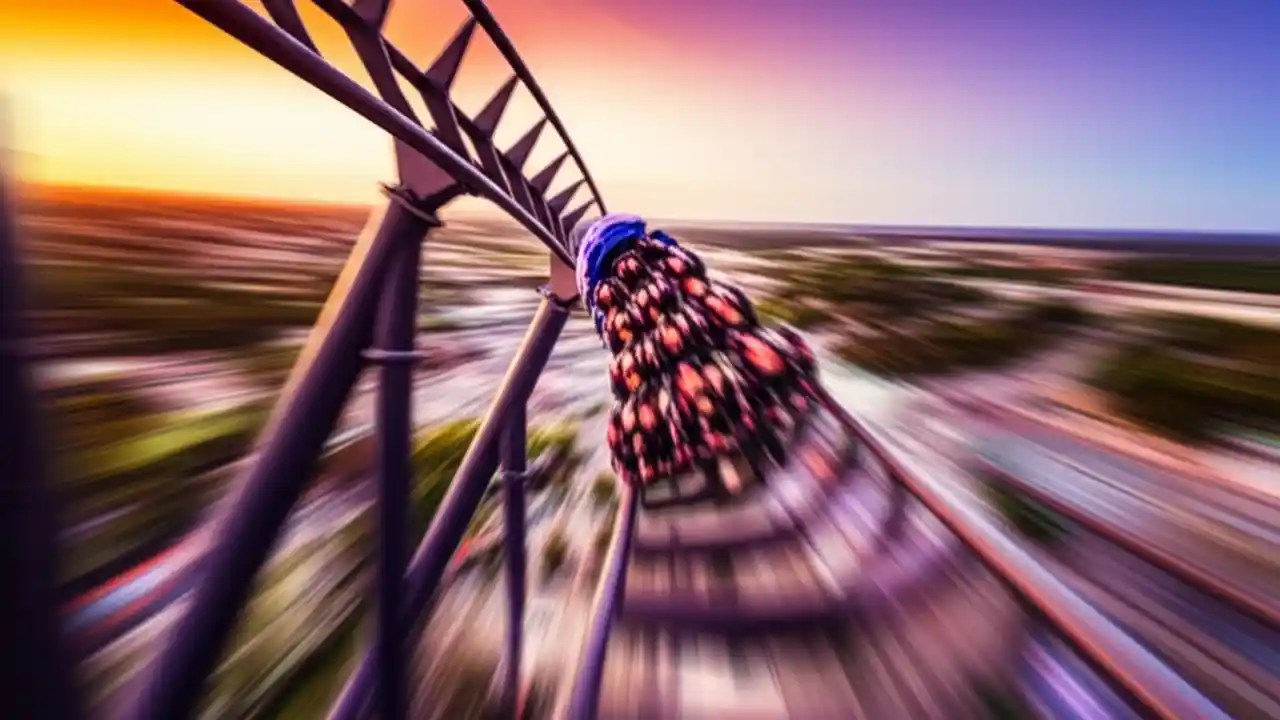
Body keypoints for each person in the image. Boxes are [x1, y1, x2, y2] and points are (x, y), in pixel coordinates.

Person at [573, 213, 820, 496]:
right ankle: (755, 436)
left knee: (663, 405)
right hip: (719, 353)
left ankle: (720, 462)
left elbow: (610, 333)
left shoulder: (599, 281)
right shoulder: (658, 250)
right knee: (732, 368)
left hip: (676, 380)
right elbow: (699, 276)